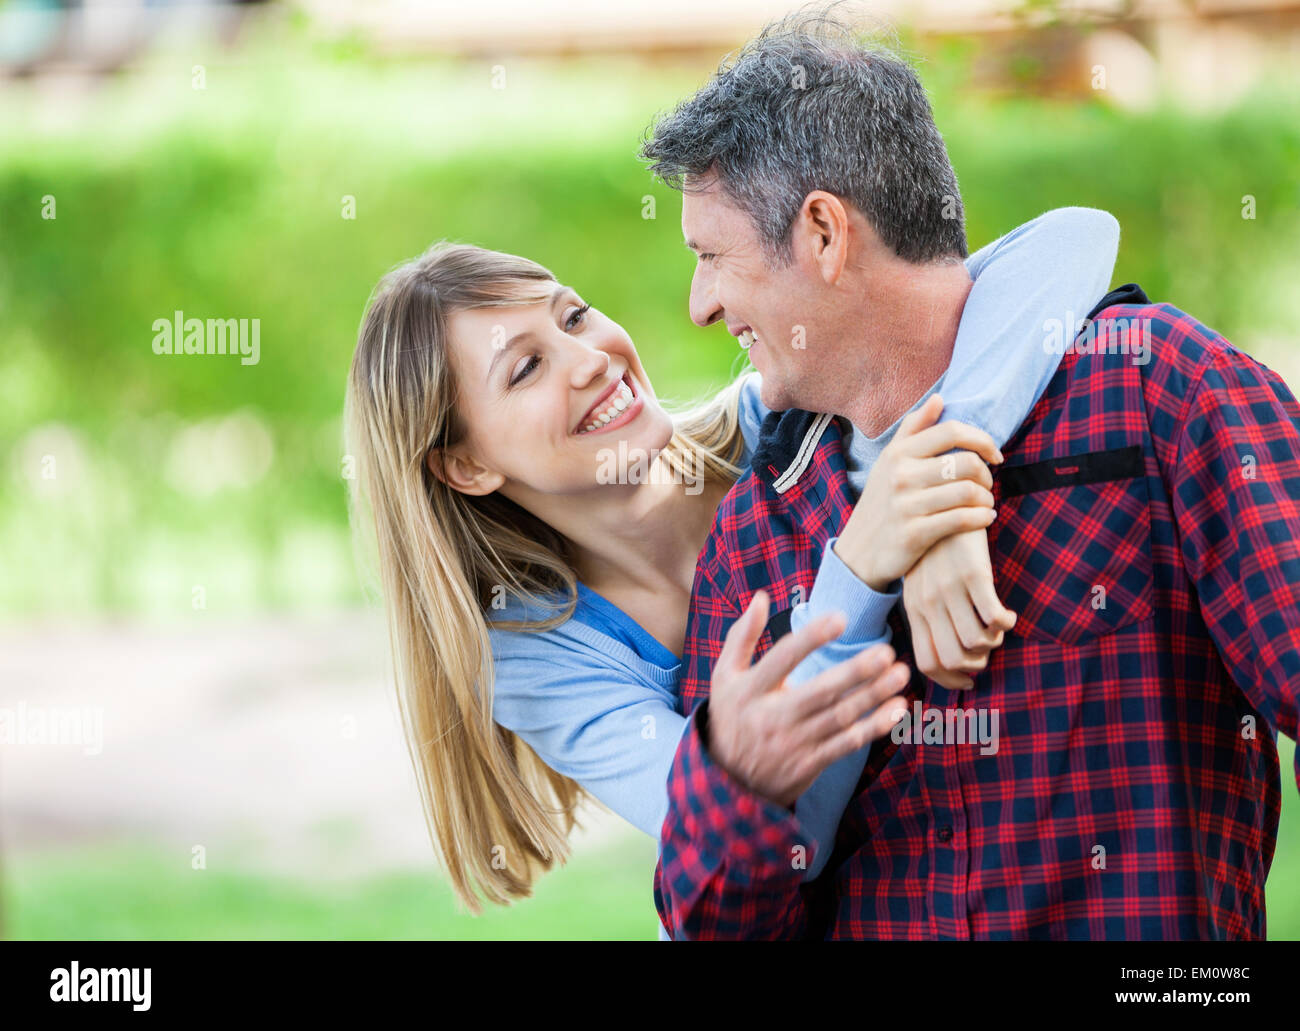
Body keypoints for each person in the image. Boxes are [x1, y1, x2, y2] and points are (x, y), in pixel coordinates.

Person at [644, 5, 1300, 940]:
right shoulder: (762, 525)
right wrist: (738, 779)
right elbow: (708, 922)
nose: (702, 305)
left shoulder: (1159, 397)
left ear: (824, 234)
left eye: (711, 256)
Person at [343, 209, 1118, 925]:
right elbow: (778, 830)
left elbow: (1072, 237)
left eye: (574, 315)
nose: (590, 359)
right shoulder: (535, 651)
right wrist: (860, 567)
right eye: (525, 369)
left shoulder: (776, 433)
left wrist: (946, 470)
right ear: (466, 465)